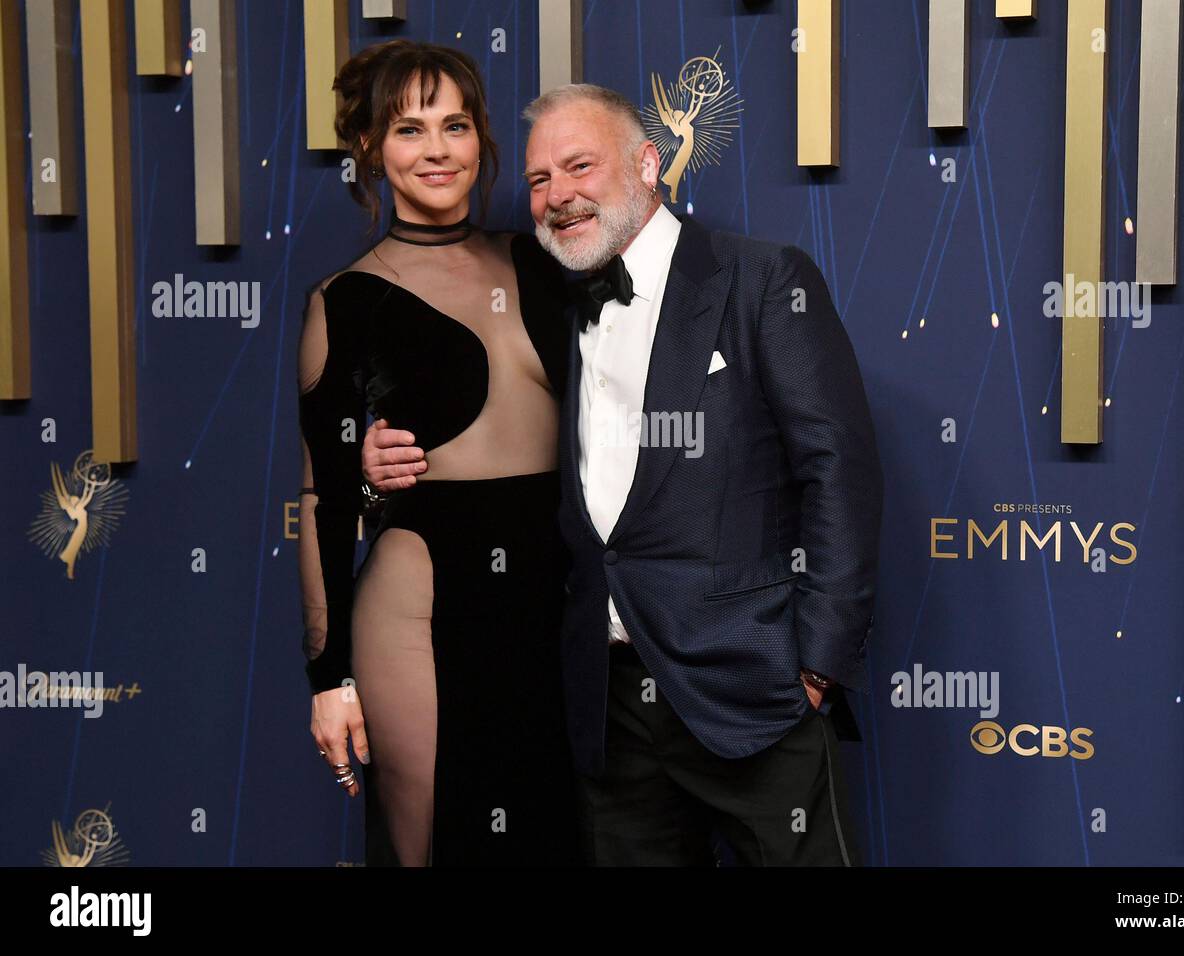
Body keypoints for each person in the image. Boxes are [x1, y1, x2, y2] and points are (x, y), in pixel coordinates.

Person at [363, 84, 883, 866]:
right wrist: (376, 462)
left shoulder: (763, 278)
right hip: (608, 707)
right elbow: (480, 440)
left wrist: (817, 666)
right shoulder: (545, 306)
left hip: (753, 687)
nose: (558, 195)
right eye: (539, 180)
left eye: (579, 166)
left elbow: (837, 465)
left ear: (648, 165)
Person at [296, 40, 580, 866]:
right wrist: (328, 679)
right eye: (408, 129)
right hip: (417, 603)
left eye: (454, 125)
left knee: (556, 837)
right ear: (370, 150)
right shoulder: (343, 302)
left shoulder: (548, 259)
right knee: (429, 844)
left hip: (556, 593)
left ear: (481, 139)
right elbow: (323, 502)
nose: (436, 149)